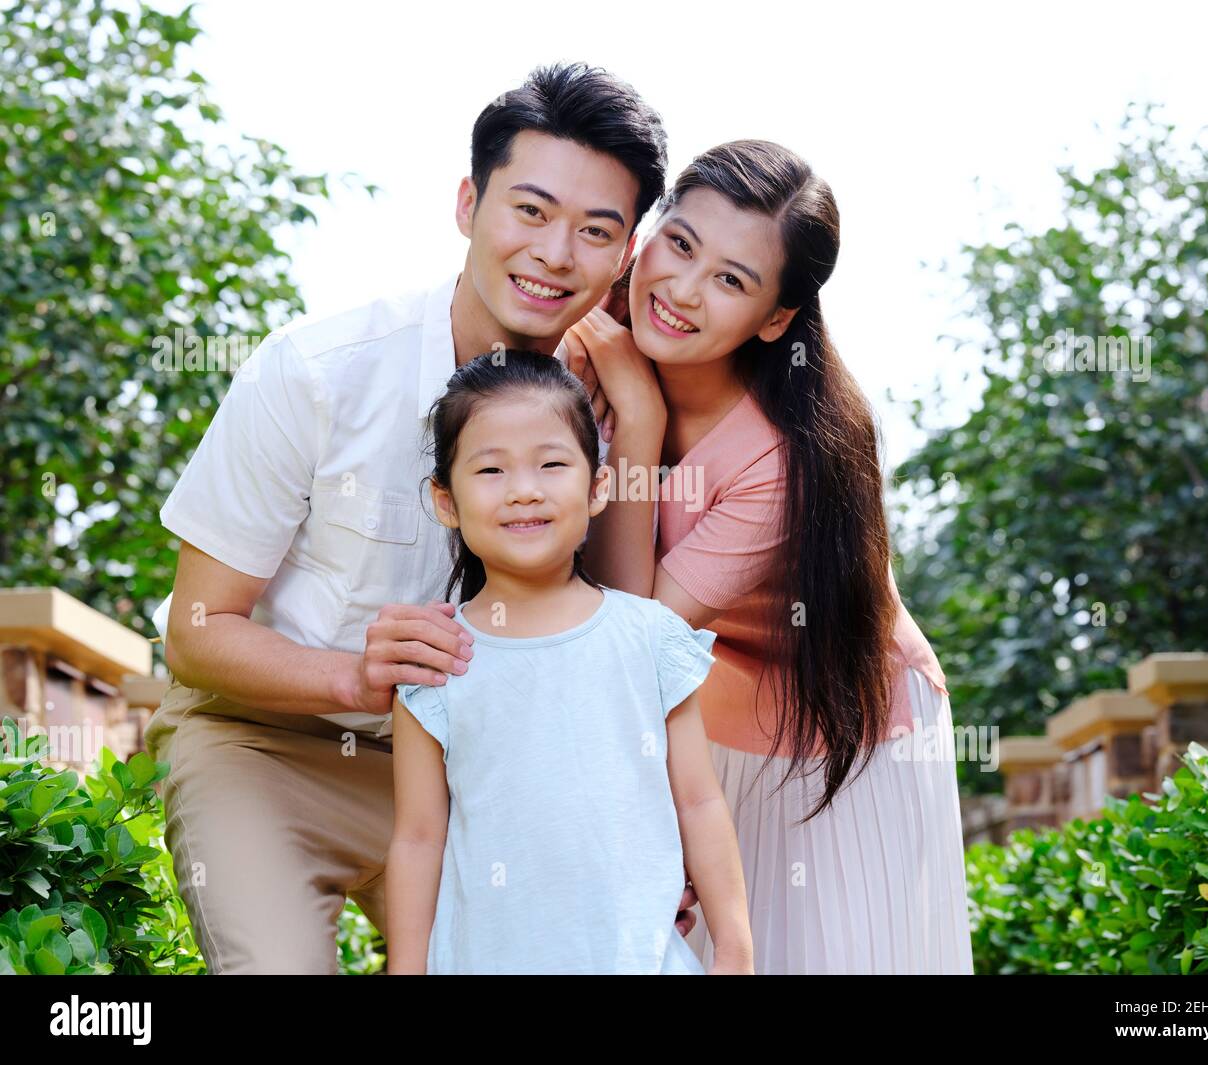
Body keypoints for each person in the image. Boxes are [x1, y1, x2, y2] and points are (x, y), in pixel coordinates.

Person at [140, 62, 705, 974]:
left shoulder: (611, 401)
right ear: (467, 204)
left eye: (595, 231)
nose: (557, 254)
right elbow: (197, 635)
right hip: (271, 746)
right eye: (530, 210)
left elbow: (620, 646)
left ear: (625, 253)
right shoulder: (315, 372)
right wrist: (350, 675)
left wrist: (636, 424)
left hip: (482, 771)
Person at [562, 140, 975, 974]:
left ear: (776, 318)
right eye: (679, 243)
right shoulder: (588, 329)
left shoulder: (782, 462)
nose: (680, 290)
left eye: (731, 280)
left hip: (846, 731)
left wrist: (637, 418)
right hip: (704, 716)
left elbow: (631, 638)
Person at [386, 350, 752, 974]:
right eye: (491, 469)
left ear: (598, 486)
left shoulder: (649, 637)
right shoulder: (436, 665)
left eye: (552, 464)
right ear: (445, 501)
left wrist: (735, 949)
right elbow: (419, 839)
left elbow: (699, 801)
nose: (525, 490)